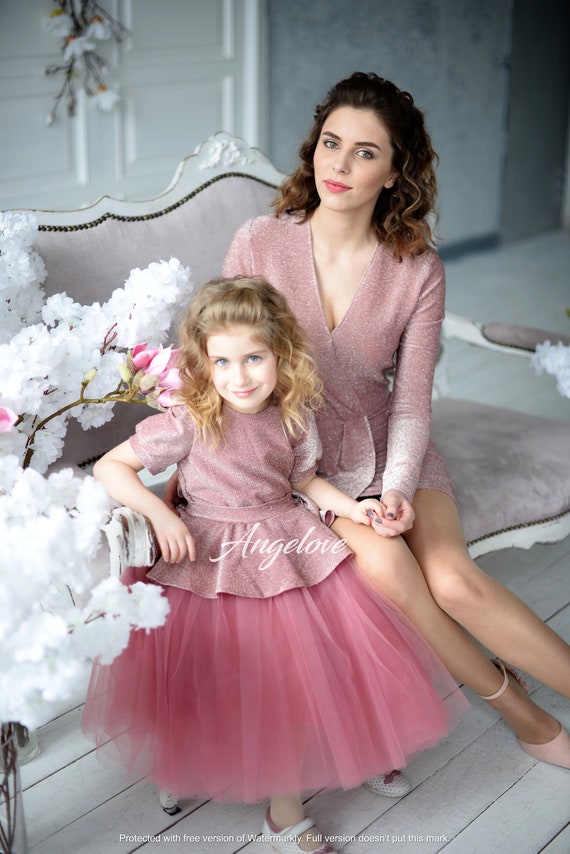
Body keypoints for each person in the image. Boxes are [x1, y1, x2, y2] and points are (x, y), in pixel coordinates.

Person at [207, 71, 570, 776]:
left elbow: (410, 403)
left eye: (365, 152)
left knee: (455, 582)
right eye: (331, 142)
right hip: (301, 462)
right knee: (387, 568)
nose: (340, 164)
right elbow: (217, 352)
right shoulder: (259, 242)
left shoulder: (416, 269)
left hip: (390, 447)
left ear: (395, 171)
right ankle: (524, 715)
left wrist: (398, 487)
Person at [81, 276, 468, 854]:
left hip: (288, 543)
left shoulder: (291, 413)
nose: (239, 377)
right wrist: (160, 515)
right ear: (203, 362)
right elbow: (111, 467)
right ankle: (278, 814)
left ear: (281, 353)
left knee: (339, 652)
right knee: (251, 680)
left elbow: (304, 481)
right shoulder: (190, 418)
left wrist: (353, 509)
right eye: (222, 361)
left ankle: (360, 748)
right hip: (212, 559)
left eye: (254, 358)